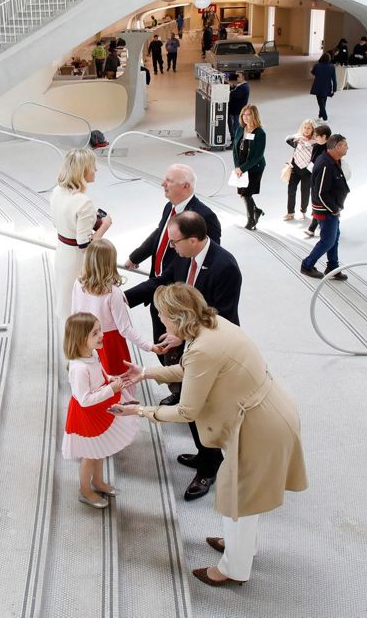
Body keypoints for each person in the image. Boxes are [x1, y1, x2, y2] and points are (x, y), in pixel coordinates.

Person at [111, 284, 307, 587]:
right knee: (245, 496)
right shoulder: (212, 325)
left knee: (238, 499)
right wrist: (146, 372)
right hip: (267, 409)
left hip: (259, 427)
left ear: (177, 317)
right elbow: (193, 370)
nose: (160, 319)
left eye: (162, 315)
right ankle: (243, 546)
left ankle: (233, 569)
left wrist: (141, 411)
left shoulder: (203, 347)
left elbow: (186, 410)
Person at [123, 212, 241, 502]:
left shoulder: (225, 266)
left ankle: (210, 467)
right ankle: (205, 454)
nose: (171, 247)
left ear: (194, 239)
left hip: (212, 348)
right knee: (192, 399)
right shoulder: (182, 257)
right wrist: (121, 299)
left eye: (175, 242)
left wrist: (185, 333)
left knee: (203, 408)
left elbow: (223, 315)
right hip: (190, 343)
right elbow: (161, 281)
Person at [123, 163, 222, 401]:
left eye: (169, 180)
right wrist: (136, 257)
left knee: (181, 353)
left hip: (181, 299)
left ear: (186, 186)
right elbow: (159, 235)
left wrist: (186, 330)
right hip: (159, 290)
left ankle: (186, 396)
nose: (162, 184)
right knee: (163, 347)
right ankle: (177, 390)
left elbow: (205, 266)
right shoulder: (171, 207)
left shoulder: (204, 217)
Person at [62, 312, 137, 509]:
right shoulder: (78, 368)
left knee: (100, 449)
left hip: (100, 408)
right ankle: (85, 490)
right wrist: (110, 389)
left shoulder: (93, 354)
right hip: (88, 415)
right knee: (90, 454)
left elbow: (101, 373)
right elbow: (84, 400)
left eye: (100, 330)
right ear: (81, 339)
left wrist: (110, 379)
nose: (102, 335)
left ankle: (98, 481)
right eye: (95, 333)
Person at [72, 239, 155, 385]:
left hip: (86, 339)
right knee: (119, 380)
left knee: (95, 380)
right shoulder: (113, 292)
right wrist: (149, 346)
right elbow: (125, 329)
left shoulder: (78, 283)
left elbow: (75, 315)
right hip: (111, 344)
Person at [51, 148, 113, 321]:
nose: (96, 170)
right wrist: (105, 225)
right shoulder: (83, 202)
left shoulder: (57, 191)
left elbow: (58, 223)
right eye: (93, 166)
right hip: (77, 262)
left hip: (62, 254)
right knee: (79, 307)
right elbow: (86, 246)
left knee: (65, 303)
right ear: (83, 170)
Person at [300, 133, 350, 281]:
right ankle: (307, 265)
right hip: (326, 210)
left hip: (331, 209)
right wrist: (333, 209)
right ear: (337, 147)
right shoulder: (326, 165)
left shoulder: (333, 161)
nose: (347, 148)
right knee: (328, 240)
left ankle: (333, 267)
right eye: (345, 145)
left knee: (334, 237)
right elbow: (321, 192)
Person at [233, 105, 266, 230]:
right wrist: (237, 166)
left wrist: (243, 168)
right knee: (242, 193)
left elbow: (258, 156)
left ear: (254, 116)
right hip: (241, 167)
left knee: (246, 194)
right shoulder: (240, 129)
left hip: (254, 168)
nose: (245, 117)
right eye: (244, 115)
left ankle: (251, 220)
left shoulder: (260, 133)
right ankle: (256, 211)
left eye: (249, 115)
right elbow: (235, 150)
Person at [300, 124, 330, 240]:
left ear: (324, 136)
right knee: (316, 202)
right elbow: (312, 160)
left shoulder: (330, 148)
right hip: (315, 177)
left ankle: (313, 228)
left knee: (321, 203)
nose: (315, 137)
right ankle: (316, 227)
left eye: (317, 135)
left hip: (325, 179)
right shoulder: (316, 146)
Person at [283, 120, 316, 220]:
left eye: (309, 128)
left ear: (313, 129)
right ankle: (290, 212)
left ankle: (303, 211)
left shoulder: (315, 142)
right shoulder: (298, 138)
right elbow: (287, 139)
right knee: (291, 190)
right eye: (304, 127)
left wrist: (311, 142)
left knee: (305, 192)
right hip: (295, 169)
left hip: (307, 171)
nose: (306, 130)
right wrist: (299, 138)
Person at [310, 52, 337, 121]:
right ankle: (320, 116)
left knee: (320, 103)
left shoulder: (317, 66)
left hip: (318, 86)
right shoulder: (332, 67)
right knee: (323, 102)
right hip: (327, 86)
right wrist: (334, 89)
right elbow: (334, 79)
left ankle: (325, 118)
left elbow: (313, 72)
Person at [226, 72, 249, 149]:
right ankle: (233, 137)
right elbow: (235, 89)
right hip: (233, 110)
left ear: (243, 77)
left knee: (235, 126)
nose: (237, 78)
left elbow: (235, 94)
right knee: (232, 124)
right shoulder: (241, 86)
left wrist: (227, 91)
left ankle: (235, 143)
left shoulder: (244, 87)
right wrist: (230, 85)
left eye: (239, 76)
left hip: (237, 111)